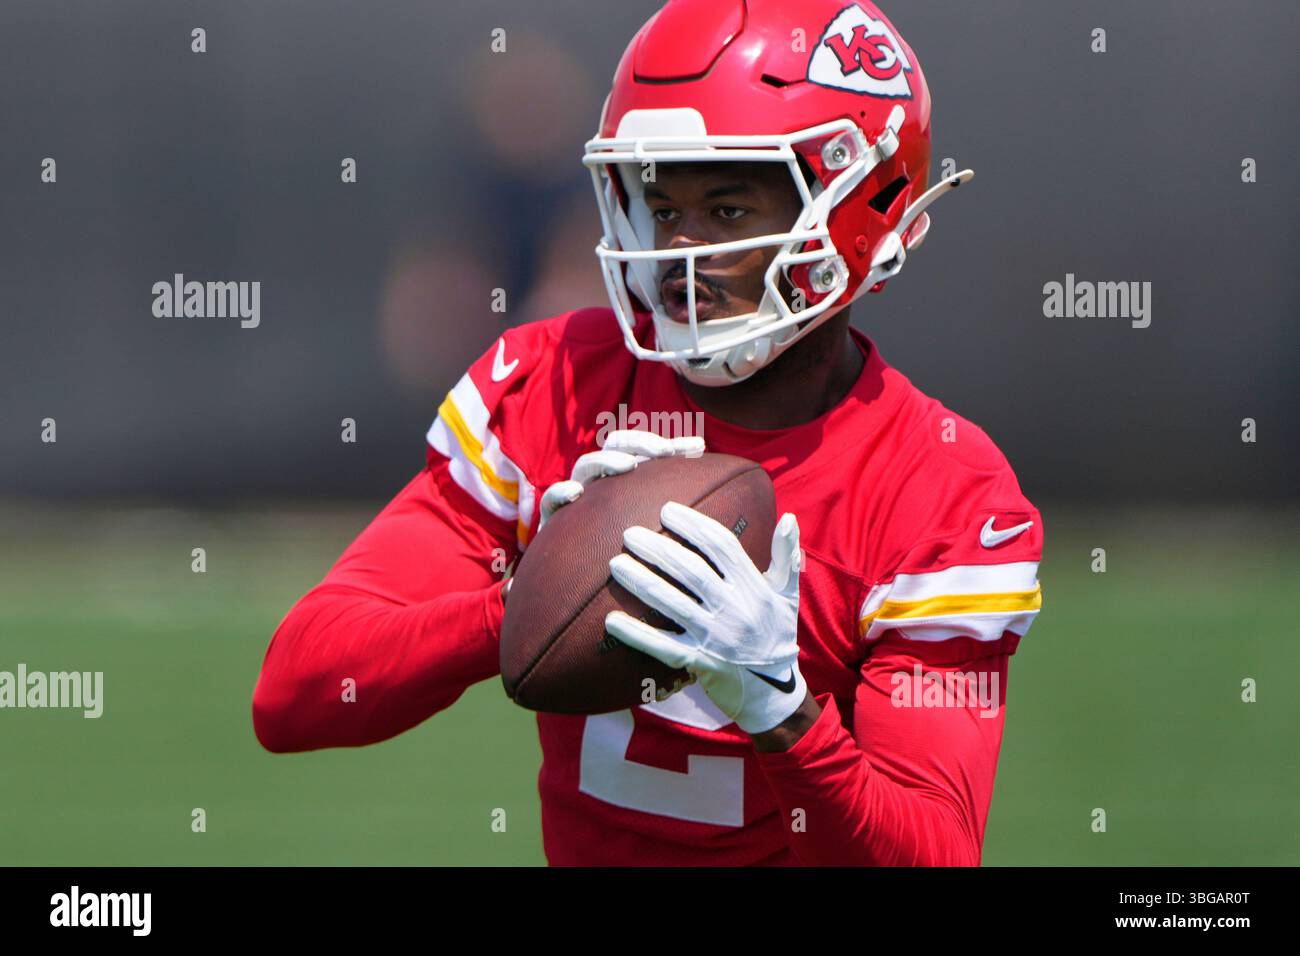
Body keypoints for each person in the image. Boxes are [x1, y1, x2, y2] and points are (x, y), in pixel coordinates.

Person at [253, 0, 1043, 866]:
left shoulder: (940, 489)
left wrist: (780, 709)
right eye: (664, 210)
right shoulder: (555, 384)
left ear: (861, 206)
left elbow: (933, 853)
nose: (679, 256)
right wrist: (528, 599)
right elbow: (294, 697)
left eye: (730, 211)